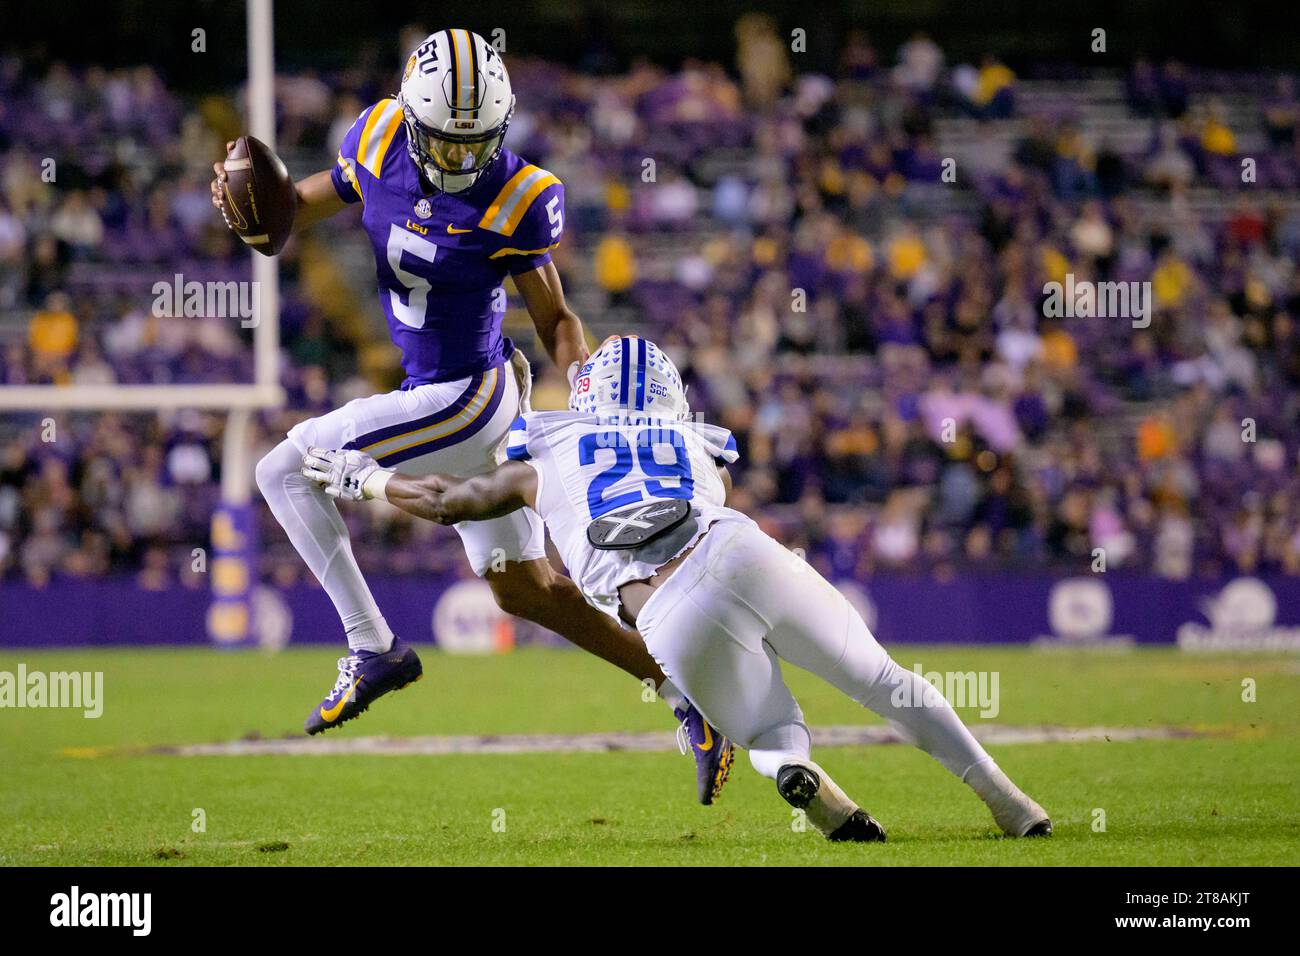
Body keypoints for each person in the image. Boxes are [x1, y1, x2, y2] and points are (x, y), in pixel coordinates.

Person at [211, 31, 731, 804]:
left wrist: (585, 378)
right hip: (450, 396)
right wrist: (264, 220)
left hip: (469, 397)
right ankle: (688, 694)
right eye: (446, 143)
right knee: (526, 590)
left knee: (281, 467)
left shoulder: (517, 195)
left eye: (475, 143)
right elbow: (306, 205)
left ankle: (374, 648)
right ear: (411, 118)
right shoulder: (380, 135)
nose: (461, 160)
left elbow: (554, 318)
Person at [300, 335, 1053, 841]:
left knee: (767, 731)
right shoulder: (692, 436)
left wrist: (367, 479)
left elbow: (446, 500)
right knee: (883, 680)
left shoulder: (544, 449)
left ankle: (803, 778)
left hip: (662, 607)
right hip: (739, 549)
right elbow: (718, 483)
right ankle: (1008, 802)